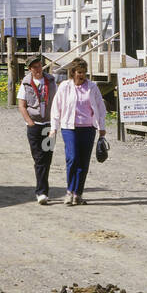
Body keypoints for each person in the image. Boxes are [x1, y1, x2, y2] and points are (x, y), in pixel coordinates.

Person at [47, 57, 108, 206]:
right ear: (73, 72)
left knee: (84, 162)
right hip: (69, 127)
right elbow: (56, 107)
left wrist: (102, 127)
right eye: (79, 72)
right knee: (73, 158)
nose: (82, 75)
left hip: (88, 128)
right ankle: (69, 191)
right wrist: (53, 127)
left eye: (84, 72)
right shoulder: (64, 86)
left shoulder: (92, 87)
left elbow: (100, 108)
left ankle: (78, 194)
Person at [18, 54, 58, 204]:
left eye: (39, 66)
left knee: (47, 158)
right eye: (34, 67)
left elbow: (57, 101)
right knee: (39, 158)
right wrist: (29, 122)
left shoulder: (51, 81)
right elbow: (21, 105)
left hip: (49, 125)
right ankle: (41, 192)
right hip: (35, 125)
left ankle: (43, 190)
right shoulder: (26, 83)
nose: (38, 69)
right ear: (30, 69)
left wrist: (55, 123)